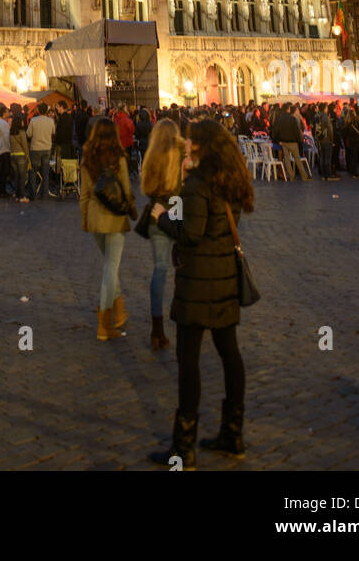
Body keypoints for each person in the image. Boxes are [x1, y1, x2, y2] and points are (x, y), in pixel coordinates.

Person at [149, 119, 255, 470]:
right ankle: (233, 433)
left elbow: (191, 234)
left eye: (193, 141)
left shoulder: (197, 185)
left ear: (203, 145)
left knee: (189, 362)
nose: (187, 145)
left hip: (197, 283)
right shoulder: (229, 180)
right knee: (230, 353)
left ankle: (184, 447)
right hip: (224, 278)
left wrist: (163, 218)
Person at [79, 118, 136, 341]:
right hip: (114, 217)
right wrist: (131, 210)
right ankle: (104, 324)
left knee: (109, 266)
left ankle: (119, 308)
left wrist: (85, 219)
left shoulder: (88, 159)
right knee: (110, 269)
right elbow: (126, 188)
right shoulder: (118, 158)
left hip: (94, 217)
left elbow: (83, 195)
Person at [140, 118, 186, 350]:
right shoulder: (180, 153)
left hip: (157, 211)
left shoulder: (152, 155)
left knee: (159, 269)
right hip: (176, 208)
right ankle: (186, 314)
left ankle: (157, 327)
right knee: (184, 265)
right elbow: (184, 186)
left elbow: (146, 188)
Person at [27, 102, 55, 198]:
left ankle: (33, 194)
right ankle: (44, 194)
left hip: (35, 148)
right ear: (47, 111)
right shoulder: (50, 121)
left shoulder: (33, 120)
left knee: (33, 171)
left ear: (38, 110)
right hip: (47, 148)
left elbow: (29, 134)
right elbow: (53, 132)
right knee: (45, 172)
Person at [9, 114, 30, 203]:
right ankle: (22, 196)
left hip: (13, 156)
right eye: (21, 121)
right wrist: (27, 155)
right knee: (22, 177)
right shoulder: (22, 133)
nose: (22, 122)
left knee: (16, 177)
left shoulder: (10, 133)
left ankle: (17, 195)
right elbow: (25, 146)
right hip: (21, 156)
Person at [0, 105, 11, 198]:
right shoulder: (3, 123)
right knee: (4, 172)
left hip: (0, 149)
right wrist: (10, 148)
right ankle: (2, 191)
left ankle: (2, 191)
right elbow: (6, 137)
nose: (9, 113)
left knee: (2, 172)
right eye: (7, 112)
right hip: (4, 149)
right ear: (4, 113)